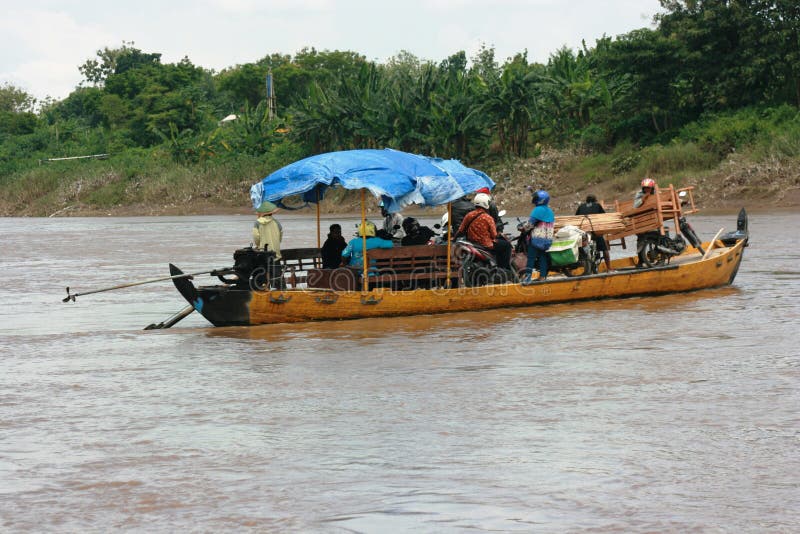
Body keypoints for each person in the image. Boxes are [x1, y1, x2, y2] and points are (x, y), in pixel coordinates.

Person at [457, 192, 512, 271]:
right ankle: (503, 268)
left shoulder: (468, 215)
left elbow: (460, 230)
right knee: (506, 245)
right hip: (486, 244)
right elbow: (494, 235)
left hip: (472, 243)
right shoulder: (488, 218)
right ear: (486, 203)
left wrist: (454, 239)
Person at [521, 190, 555, 285]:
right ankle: (542, 277)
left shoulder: (537, 210)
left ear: (540, 200)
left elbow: (530, 224)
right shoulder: (550, 211)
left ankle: (527, 278)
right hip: (547, 240)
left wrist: (523, 228)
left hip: (537, 239)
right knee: (542, 257)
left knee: (531, 257)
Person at [576, 194, 613, 272]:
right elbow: (604, 216)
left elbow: (576, 217)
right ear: (595, 200)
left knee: (580, 248)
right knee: (605, 249)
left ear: (586, 200)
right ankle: (609, 268)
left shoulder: (581, 206)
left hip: (583, 232)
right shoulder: (597, 205)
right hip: (594, 231)